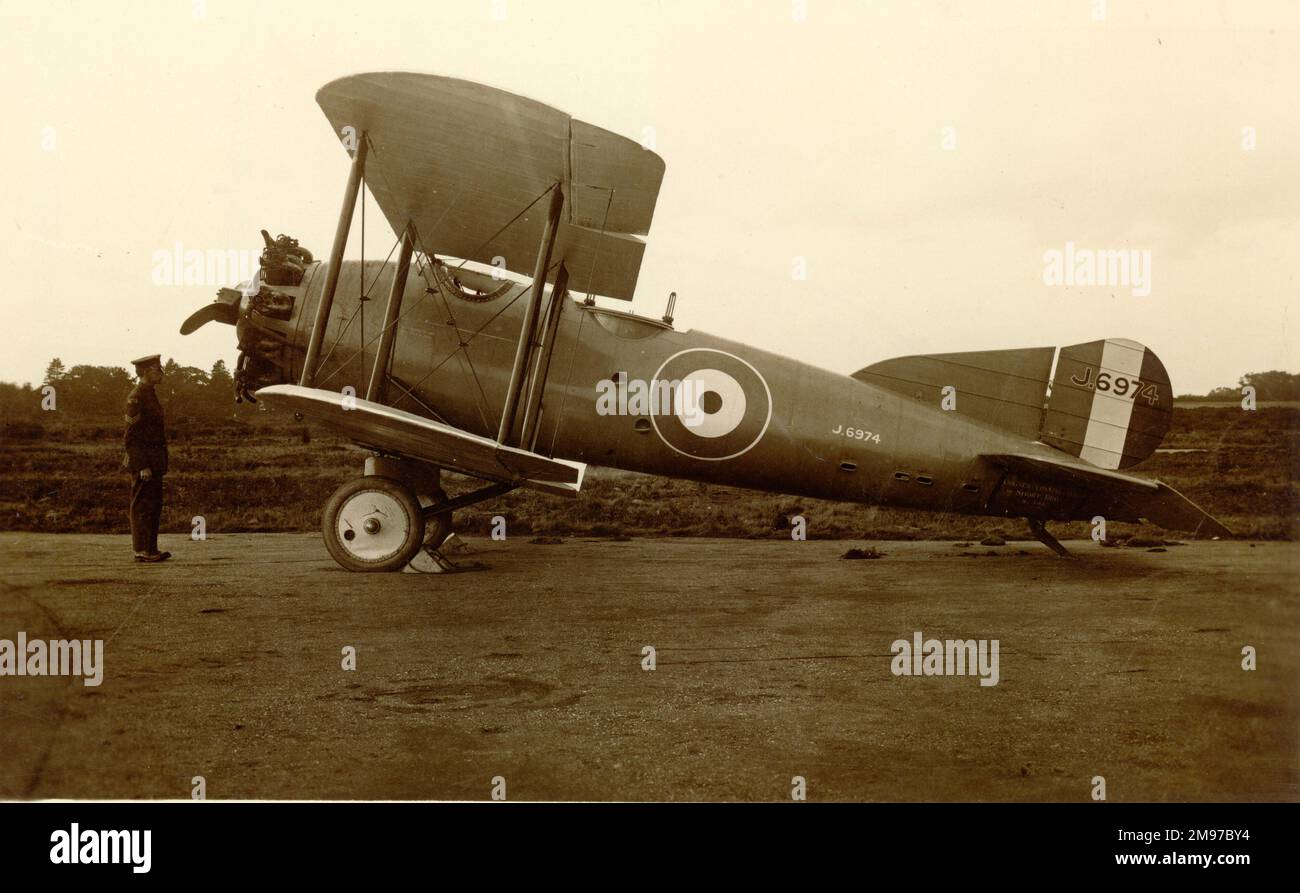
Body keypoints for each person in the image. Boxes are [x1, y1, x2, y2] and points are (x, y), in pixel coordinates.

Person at [123, 354, 171, 563]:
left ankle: (150, 549)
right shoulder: (137, 396)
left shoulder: (149, 394)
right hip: (145, 463)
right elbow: (131, 436)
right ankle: (142, 550)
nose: (161, 373)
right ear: (145, 372)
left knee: (152, 505)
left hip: (154, 461)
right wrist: (142, 465)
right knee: (143, 505)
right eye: (157, 369)